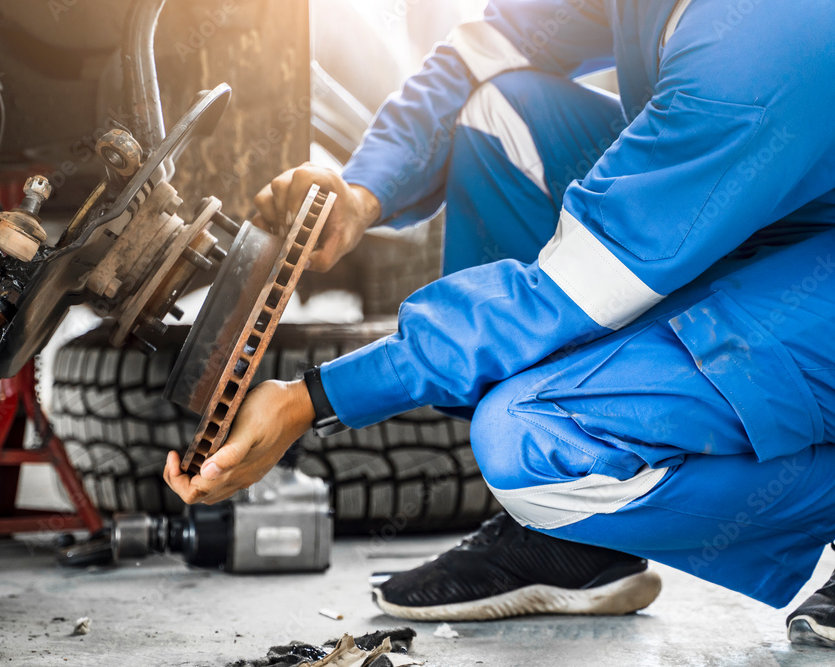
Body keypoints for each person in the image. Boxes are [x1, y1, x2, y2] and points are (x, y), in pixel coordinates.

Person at [164, 0, 835, 648]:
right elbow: (477, 56)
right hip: (772, 214)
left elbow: (569, 289)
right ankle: (568, 545)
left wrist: (311, 397)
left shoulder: (758, 39)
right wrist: (363, 195)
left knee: (532, 446)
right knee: (500, 114)